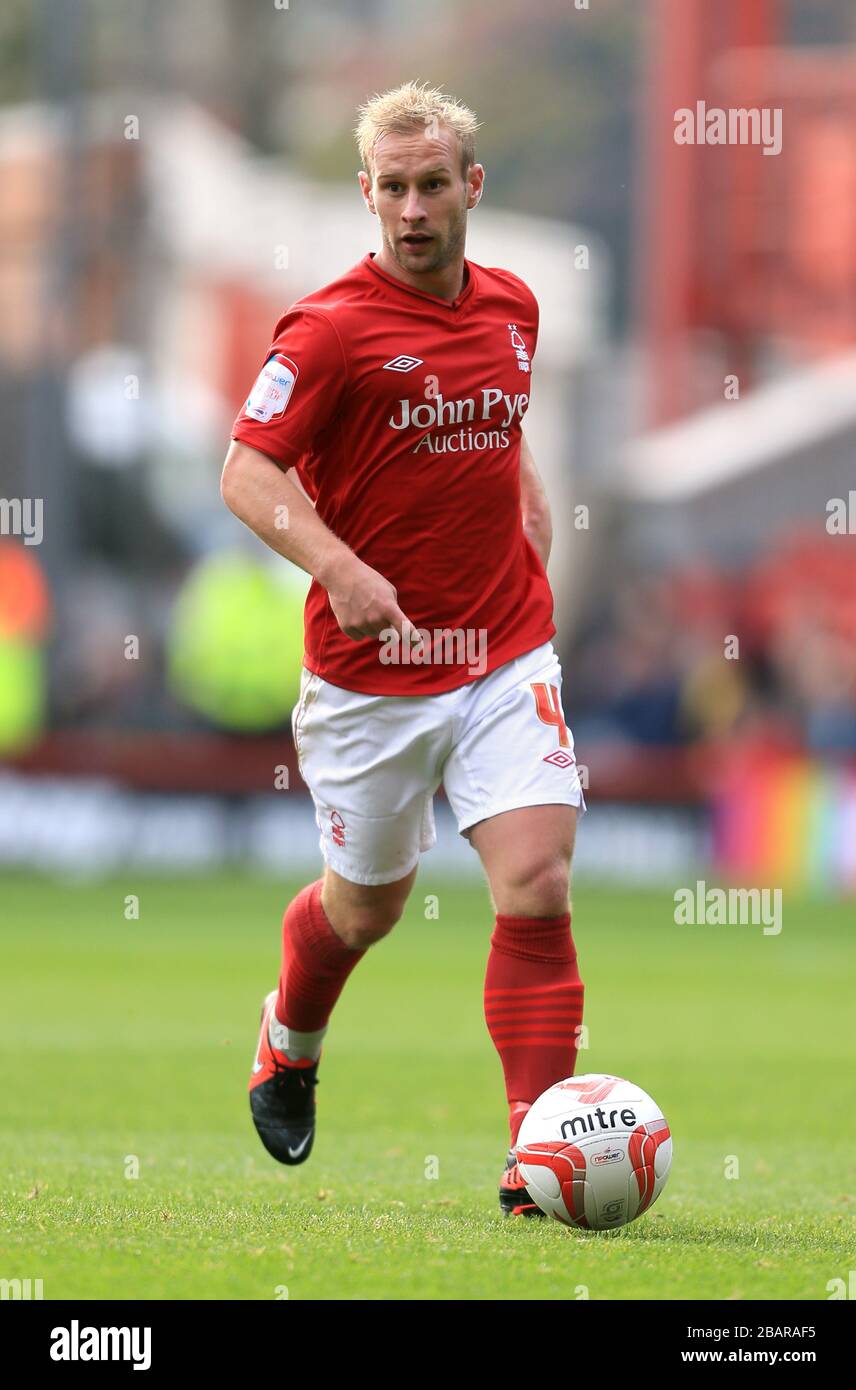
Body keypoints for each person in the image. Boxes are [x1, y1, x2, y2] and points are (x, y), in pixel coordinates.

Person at [221, 80, 586, 1216]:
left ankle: (535, 1155)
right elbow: (245, 473)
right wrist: (338, 568)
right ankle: (289, 1042)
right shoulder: (327, 330)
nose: (413, 207)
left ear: (471, 186)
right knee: (362, 909)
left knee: (535, 881)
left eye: (433, 184)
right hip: (369, 680)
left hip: (503, 650)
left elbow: (498, 431)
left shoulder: (515, 307)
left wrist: (527, 518)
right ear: (367, 195)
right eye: (392, 187)